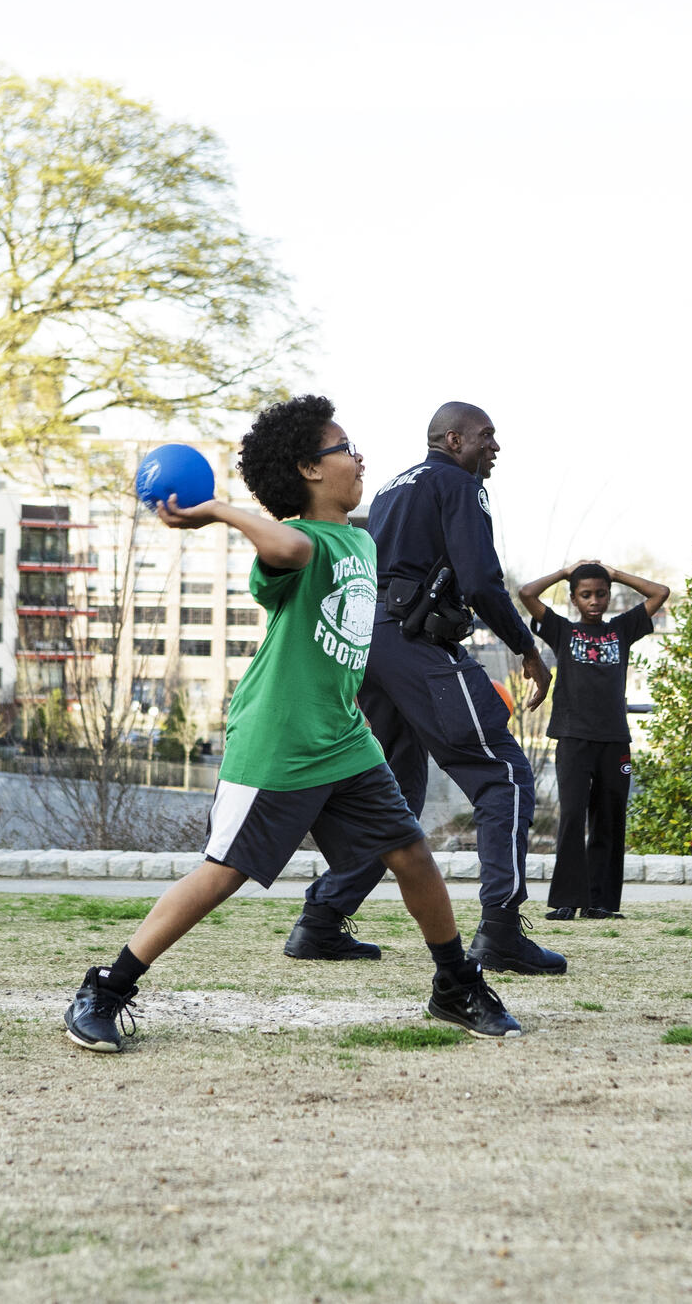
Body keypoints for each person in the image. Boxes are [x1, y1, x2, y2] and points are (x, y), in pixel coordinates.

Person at [62, 396, 519, 1051]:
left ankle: (455, 983)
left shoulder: (359, 538)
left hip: (343, 736)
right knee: (222, 873)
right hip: (278, 739)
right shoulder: (300, 543)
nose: (358, 457)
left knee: (411, 852)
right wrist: (217, 509)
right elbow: (287, 544)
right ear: (309, 468)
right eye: (344, 448)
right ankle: (106, 988)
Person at [281, 402, 567, 975]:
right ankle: (501, 931)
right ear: (453, 439)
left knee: (396, 798)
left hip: (370, 644)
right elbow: (481, 581)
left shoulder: (391, 488)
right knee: (504, 775)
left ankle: (321, 921)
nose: (495, 447)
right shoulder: (458, 483)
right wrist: (527, 648)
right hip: (416, 644)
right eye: (487, 436)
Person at [516, 559, 669, 919]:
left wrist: (615, 574)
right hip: (573, 738)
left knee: (609, 819)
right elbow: (526, 593)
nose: (594, 601)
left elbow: (660, 593)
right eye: (585, 595)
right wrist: (563, 573)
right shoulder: (562, 630)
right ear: (573, 599)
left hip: (614, 740)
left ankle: (600, 903)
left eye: (601, 593)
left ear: (609, 595)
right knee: (572, 816)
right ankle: (567, 901)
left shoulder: (622, 629)